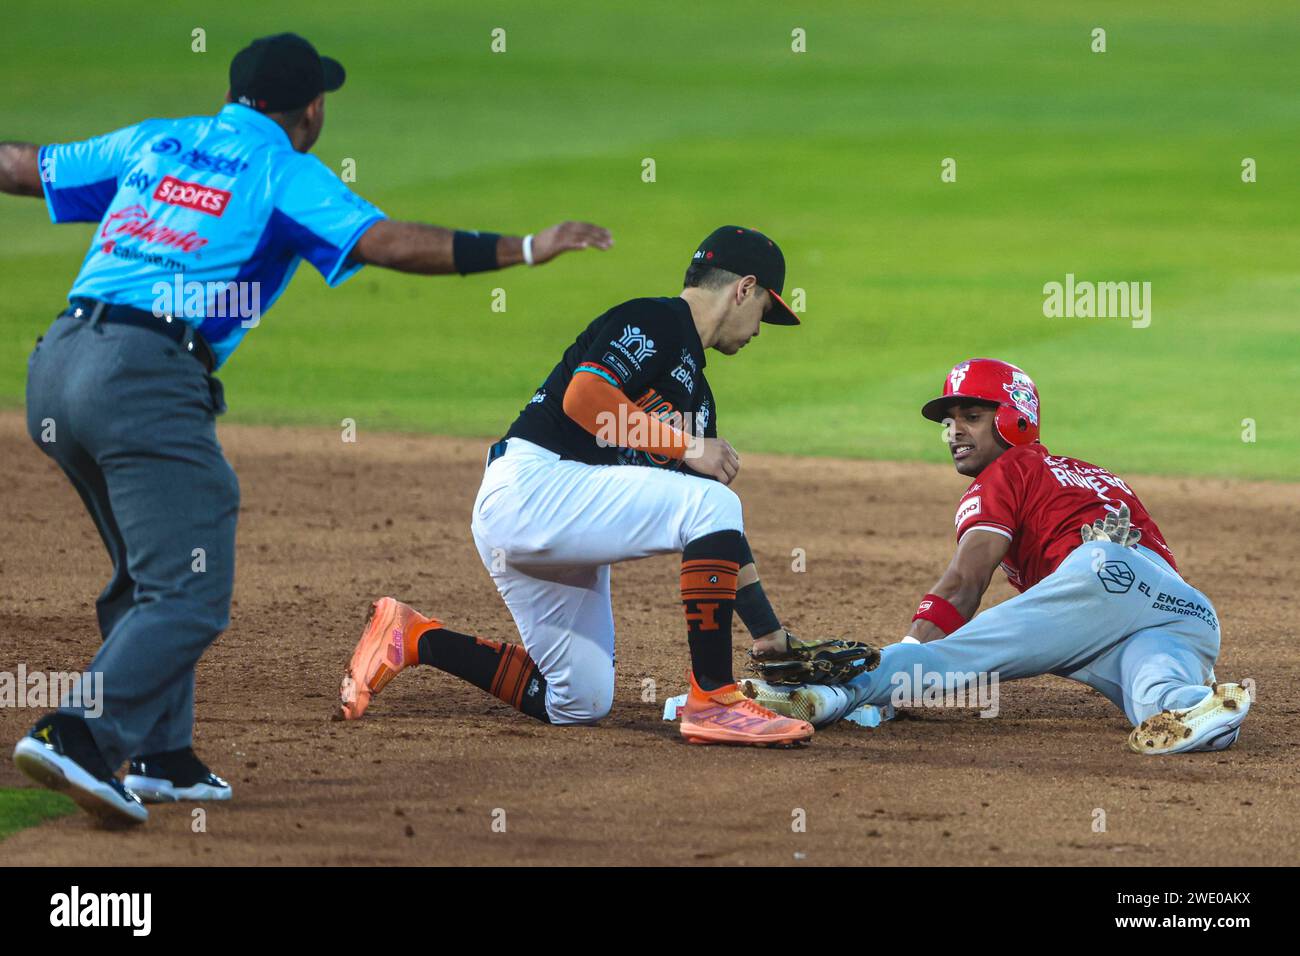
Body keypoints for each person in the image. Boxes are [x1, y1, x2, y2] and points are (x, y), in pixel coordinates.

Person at [0, 32, 611, 825]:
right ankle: (79, 733)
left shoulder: (156, 140)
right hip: (143, 378)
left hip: (55, 367)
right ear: (311, 110)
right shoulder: (282, 171)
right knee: (189, 587)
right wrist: (525, 248)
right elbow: (387, 241)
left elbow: (22, 165)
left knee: (148, 574)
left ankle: (161, 756)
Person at [338, 226, 872, 746]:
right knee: (713, 500)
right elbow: (584, 399)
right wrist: (689, 448)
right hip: (532, 487)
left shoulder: (698, 399)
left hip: (562, 525)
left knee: (577, 702)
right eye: (765, 312)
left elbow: (716, 528)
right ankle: (714, 700)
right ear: (744, 288)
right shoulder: (655, 320)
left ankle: (412, 637)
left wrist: (768, 633)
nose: (760, 329)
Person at [744, 358, 1251, 755]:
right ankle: (1201, 708)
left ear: (1014, 420)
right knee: (1154, 701)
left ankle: (835, 693)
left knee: (955, 657)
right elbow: (1156, 582)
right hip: (1187, 612)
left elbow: (965, 583)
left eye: (972, 416)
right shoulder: (1098, 474)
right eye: (949, 421)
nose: (954, 431)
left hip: (1102, 580)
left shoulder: (1006, 474)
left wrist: (905, 655)